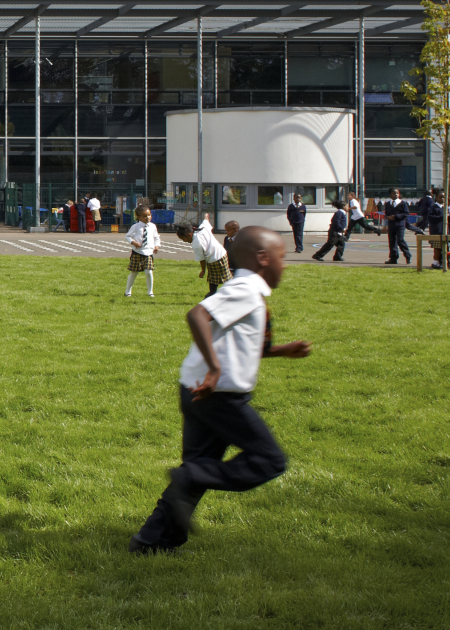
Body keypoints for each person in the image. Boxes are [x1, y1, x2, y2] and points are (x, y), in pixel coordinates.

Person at [129, 227, 313, 554]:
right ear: (262, 259)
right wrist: (215, 369)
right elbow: (197, 314)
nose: (285, 265)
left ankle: (151, 542)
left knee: (195, 474)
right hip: (219, 395)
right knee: (269, 460)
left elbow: (246, 344)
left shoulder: (246, 292)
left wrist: (283, 350)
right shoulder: (243, 289)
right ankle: (192, 479)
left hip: (198, 391)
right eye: (282, 258)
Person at [177, 217, 230, 297]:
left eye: (183, 239)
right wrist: (206, 215)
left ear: (189, 235)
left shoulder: (196, 243)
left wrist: (203, 271)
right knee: (216, 281)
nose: (184, 241)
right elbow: (206, 220)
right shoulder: (202, 228)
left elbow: (202, 259)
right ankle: (213, 294)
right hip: (222, 255)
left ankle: (227, 295)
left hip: (215, 260)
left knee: (225, 280)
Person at [125, 204, 160, 298]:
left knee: (148, 272)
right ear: (138, 217)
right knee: (134, 272)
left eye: (149, 215)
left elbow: (156, 237)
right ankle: (128, 291)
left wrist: (157, 246)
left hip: (148, 253)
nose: (148, 217)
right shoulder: (136, 226)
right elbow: (127, 236)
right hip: (138, 252)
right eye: (145, 216)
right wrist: (134, 242)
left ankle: (150, 292)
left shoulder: (152, 226)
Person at [381, 188, 411, 264]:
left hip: (400, 225)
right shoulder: (387, 204)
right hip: (391, 225)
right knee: (392, 241)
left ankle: (407, 255)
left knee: (400, 240)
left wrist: (396, 216)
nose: (396, 195)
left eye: (397, 193)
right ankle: (393, 258)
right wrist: (387, 217)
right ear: (390, 195)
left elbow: (406, 213)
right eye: (394, 193)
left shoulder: (403, 203)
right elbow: (386, 214)